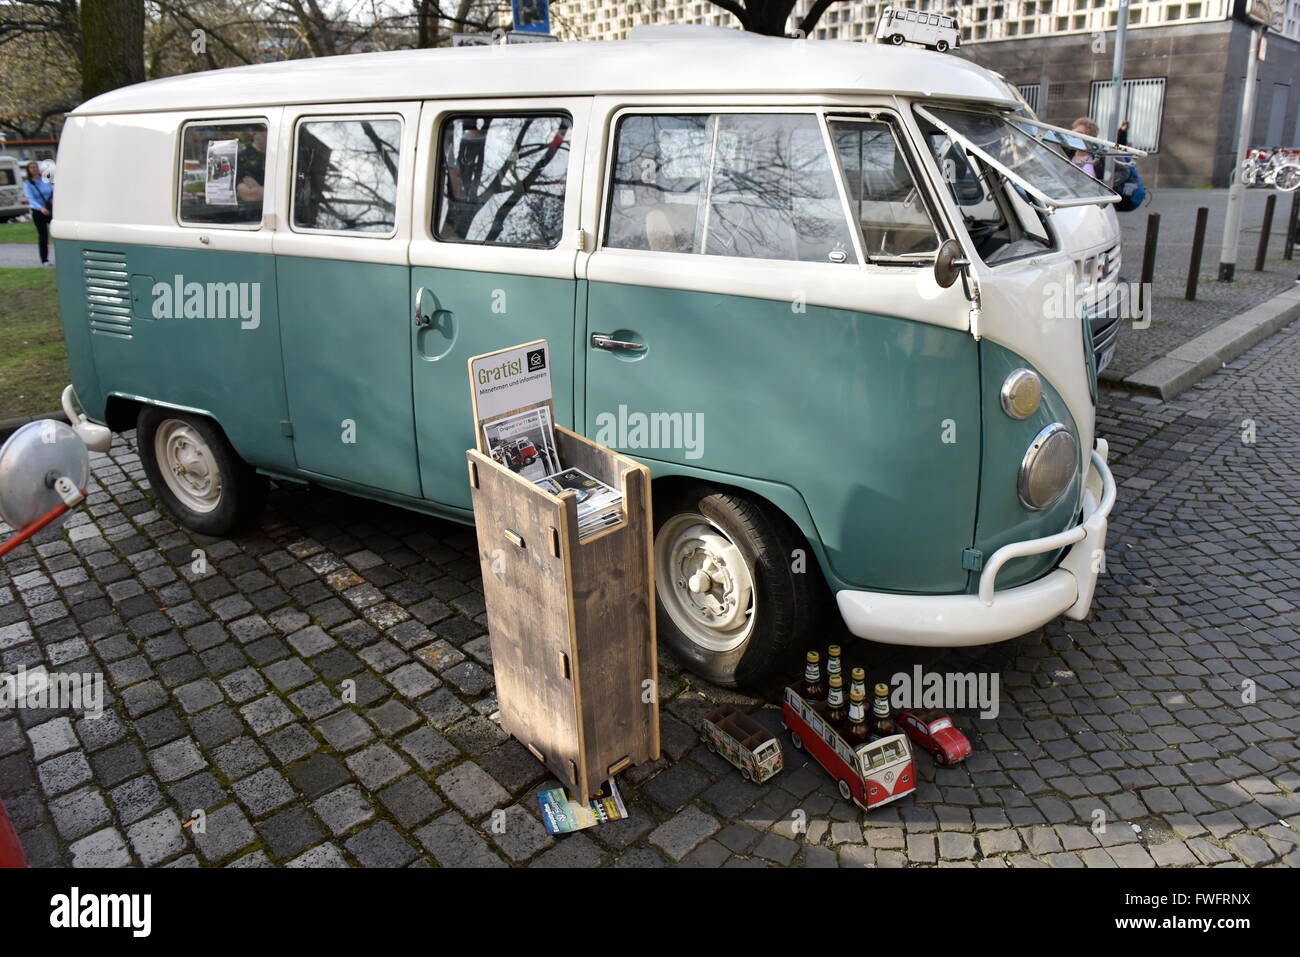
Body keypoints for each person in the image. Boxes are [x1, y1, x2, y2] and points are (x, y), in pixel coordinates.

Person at [23, 161, 54, 267]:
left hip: (49, 208)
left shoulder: (45, 180)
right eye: (31, 167)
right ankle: (44, 260)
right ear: (28, 170)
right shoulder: (28, 183)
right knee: (43, 236)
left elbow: (51, 190)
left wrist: (51, 199)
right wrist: (40, 208)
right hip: (38, 211)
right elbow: (30, 198)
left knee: (58, 231)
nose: (34, 169)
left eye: (35, 167)